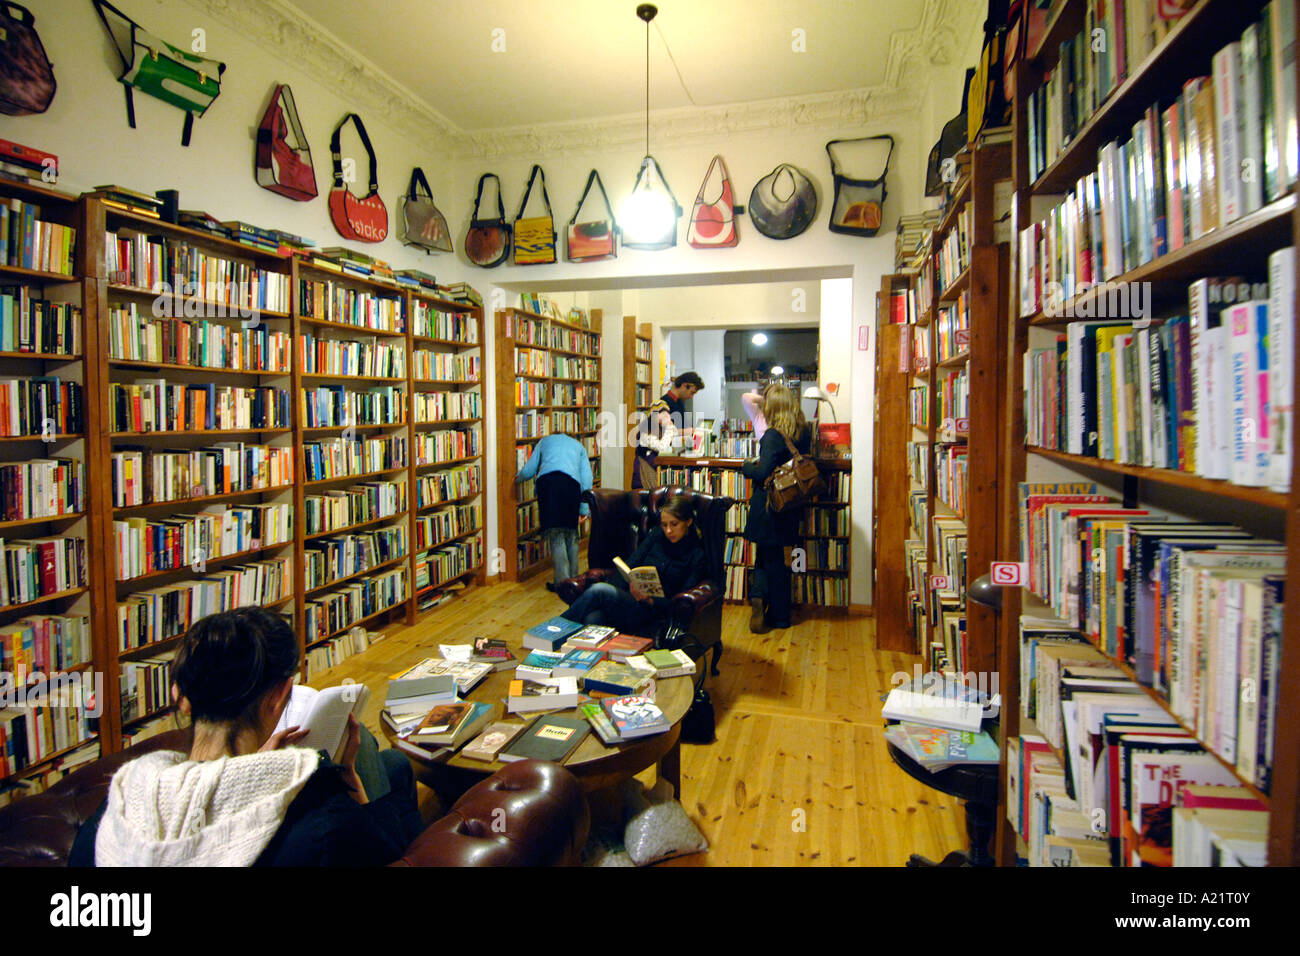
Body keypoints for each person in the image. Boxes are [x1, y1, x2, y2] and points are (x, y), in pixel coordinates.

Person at [70, 607, 422, 867]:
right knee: (386, 763)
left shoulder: (115, 812)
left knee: (393, 764)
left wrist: (255, 766)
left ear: (181, 696)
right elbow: (382, 858)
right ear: (278, 696)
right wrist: (350, 781)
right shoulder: (325, 822)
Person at [561, 494, 706, 635]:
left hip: (656, 611)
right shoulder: (656, 535)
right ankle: (566, 651)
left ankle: (554, 631)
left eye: (674, 524)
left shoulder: (696, 554)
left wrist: (651, 600)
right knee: (593, 617)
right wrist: (629, 581)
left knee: (598, 590)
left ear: (688, 521)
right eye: (664, 525)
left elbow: (681, 600)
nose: (668, 530)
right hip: (631, 600)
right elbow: (631, 563)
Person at [741, 383, 811, 633]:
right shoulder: (803, 431)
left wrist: (746, 466)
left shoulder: (772, 435)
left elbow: (762, 472)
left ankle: (772, 611)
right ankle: (766, 605)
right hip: (790, 504)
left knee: (771, 561)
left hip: (770, 507)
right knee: (774, 557)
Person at [515, 432, 593, 591]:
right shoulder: (579, 446)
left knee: (556, 533)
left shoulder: (544, 442)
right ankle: (575, 579)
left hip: (548, 485)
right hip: (571, 485)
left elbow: (529, 470)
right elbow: (587, 477)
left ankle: (562, 583)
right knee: (571, 533)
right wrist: (584, 508)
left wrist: (516, 479)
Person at [632, 371, 705, 489]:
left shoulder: (680, 403)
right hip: (652, 460)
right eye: (692, 392)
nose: (691, 397)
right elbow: (666, 435)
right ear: (684, 385)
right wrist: (678, 430)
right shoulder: (663, 404)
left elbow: (674, 431)